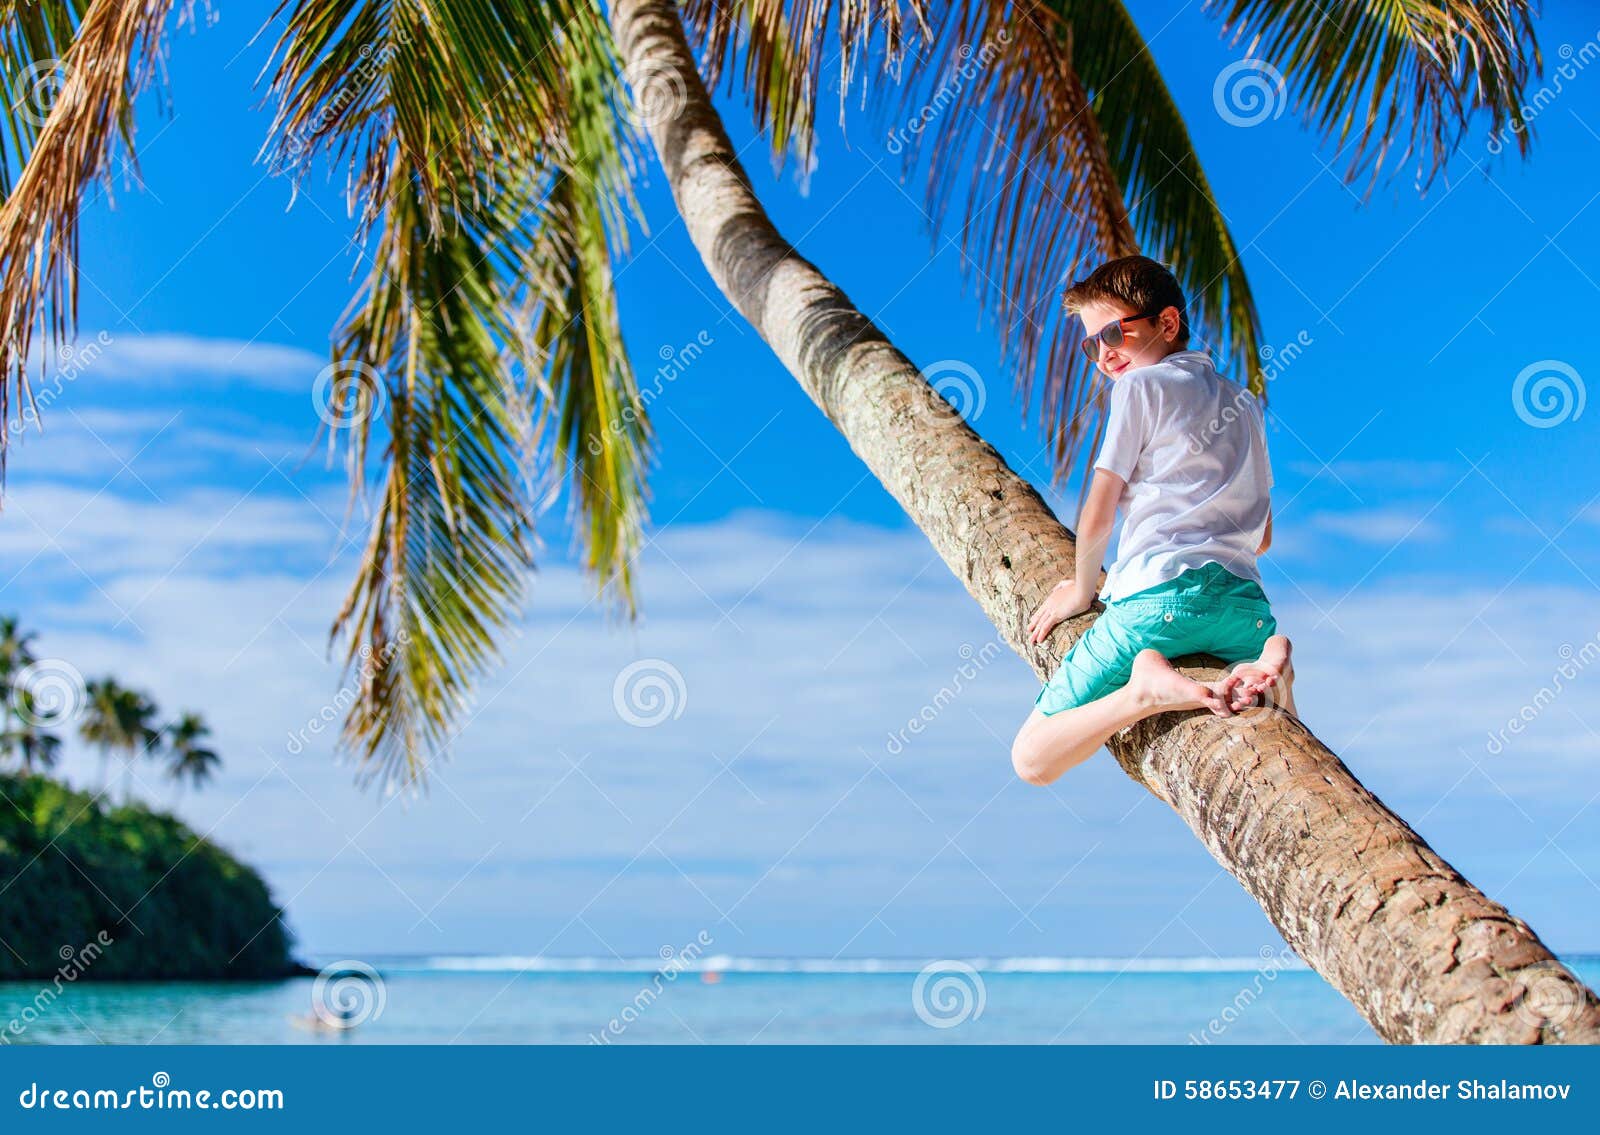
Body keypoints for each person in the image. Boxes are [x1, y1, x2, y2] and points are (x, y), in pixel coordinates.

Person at [1010, 255, 1294, 787]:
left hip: (1156, 605)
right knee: (1279, 725)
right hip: (1246, 613)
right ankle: (1275, 658)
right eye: (1091, 344)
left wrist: (1080, 589)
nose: (1103, 354)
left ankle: (1141, 692)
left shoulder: (1138, 388)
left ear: (1167, 322)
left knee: (1030, 759)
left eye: (1114, 333)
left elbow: (1099, 509)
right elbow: (1266, 536)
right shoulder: (1245, 402)